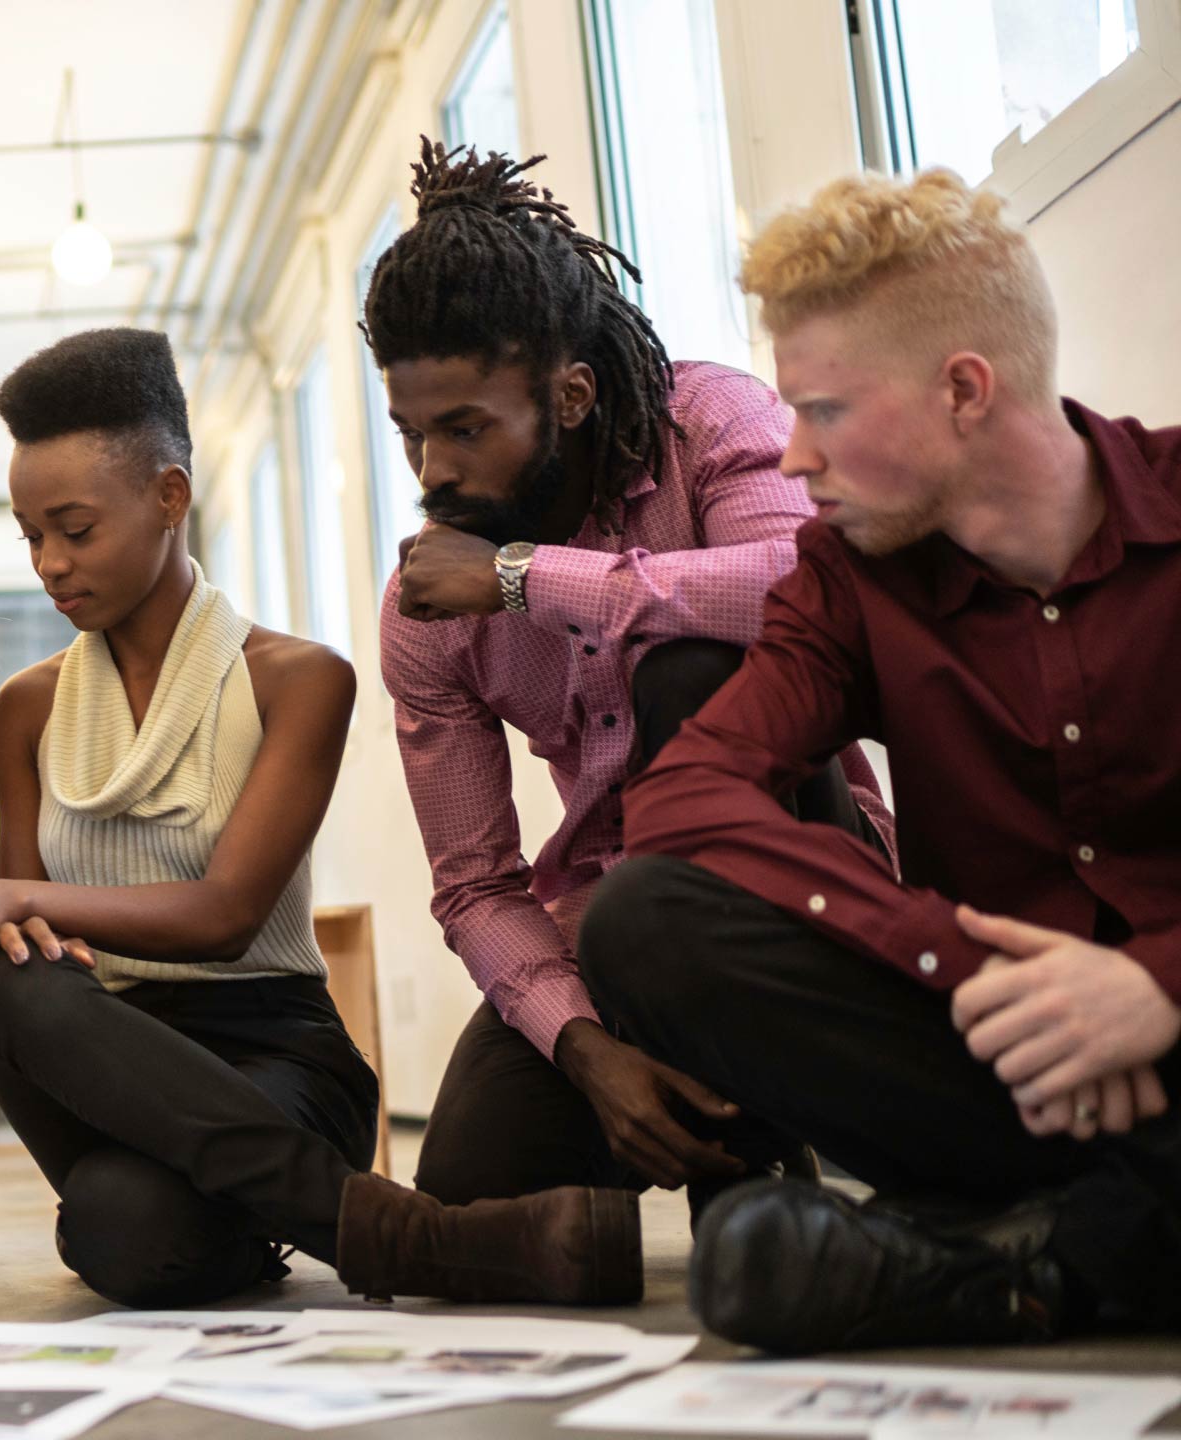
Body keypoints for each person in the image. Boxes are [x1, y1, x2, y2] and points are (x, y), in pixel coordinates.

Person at [0, 327, 633, 1310]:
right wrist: (7, 918)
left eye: (74, 528)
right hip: (111, 1056)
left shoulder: (299, 680)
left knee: (125, 1229)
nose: (50, 563)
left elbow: (228, 912)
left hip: (276, 1054)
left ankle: (336, 1223)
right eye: (31, 536)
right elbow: (38, 938)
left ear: (167, 497)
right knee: (20, 999)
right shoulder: (27, 707)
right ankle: (404, 1239)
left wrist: (8, 892)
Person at [580, 168, 1181, 1353]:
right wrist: (971, 966)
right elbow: (683, 802)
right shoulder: (848, 579)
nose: (794, 455)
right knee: (639, 921)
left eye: (827, 411)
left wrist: (1153, 986)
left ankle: (1016, 1259)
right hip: (1012, 1061)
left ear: (964, 389)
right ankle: (1086, 1226)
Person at [362, 141, 892, 1227]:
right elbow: (474, 885)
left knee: (692, 670)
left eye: (465, 429)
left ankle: (747, 1184)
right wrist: (585, 1045)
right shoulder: (424, 606)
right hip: (605, 921)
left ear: (569, 394)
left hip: (799, 878)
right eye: (411, 436)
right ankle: (714, 1136)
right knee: (472, 1183)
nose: (434, 473)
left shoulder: (710, 422)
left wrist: (523, 580)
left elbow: (799, 590)